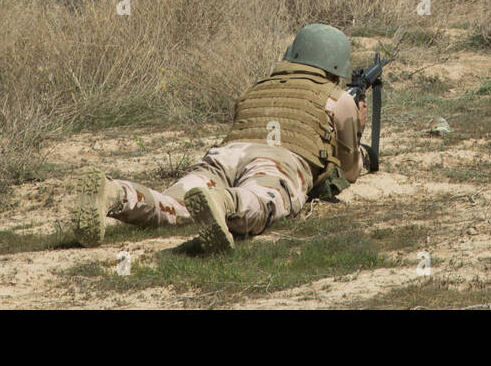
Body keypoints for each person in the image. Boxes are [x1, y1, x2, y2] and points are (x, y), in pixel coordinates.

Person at [70, 24, 375, 254]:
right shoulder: (337, 99)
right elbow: (348, 171)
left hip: (226, 155)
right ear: (336, 64)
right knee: (262, 202)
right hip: (278, 161)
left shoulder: (259, 87)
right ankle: (223, 202)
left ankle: (114, 193)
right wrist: (357, 127)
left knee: (172, 206)